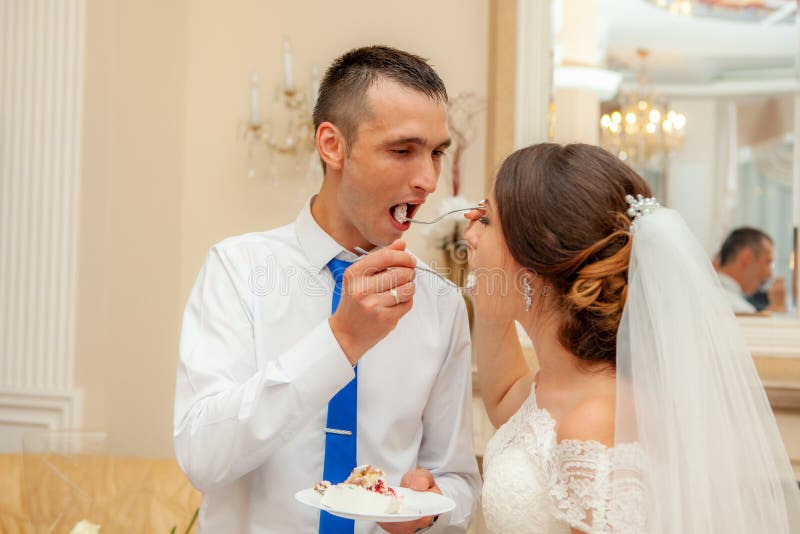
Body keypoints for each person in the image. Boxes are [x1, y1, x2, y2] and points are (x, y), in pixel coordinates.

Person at [173, 46, 480, 534]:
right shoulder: (236, 269)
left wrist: (433, 507)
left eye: (436, 152)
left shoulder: (441, 303)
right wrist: (340, 341)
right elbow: (201, 458)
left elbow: (457, 479)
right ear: (333, 145)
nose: (427, 180)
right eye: (403, 150)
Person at [464, 143, 800, 533]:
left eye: (485, 220)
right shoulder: (562, 380)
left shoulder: (596, 418)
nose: (469, 234)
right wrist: (488, 302)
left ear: (538, 250)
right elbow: (504, 398)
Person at [717, 227, 787, 314]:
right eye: (768, 262)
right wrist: (777, 308)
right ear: (746, 257)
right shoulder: (738, 308)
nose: (770, 274)